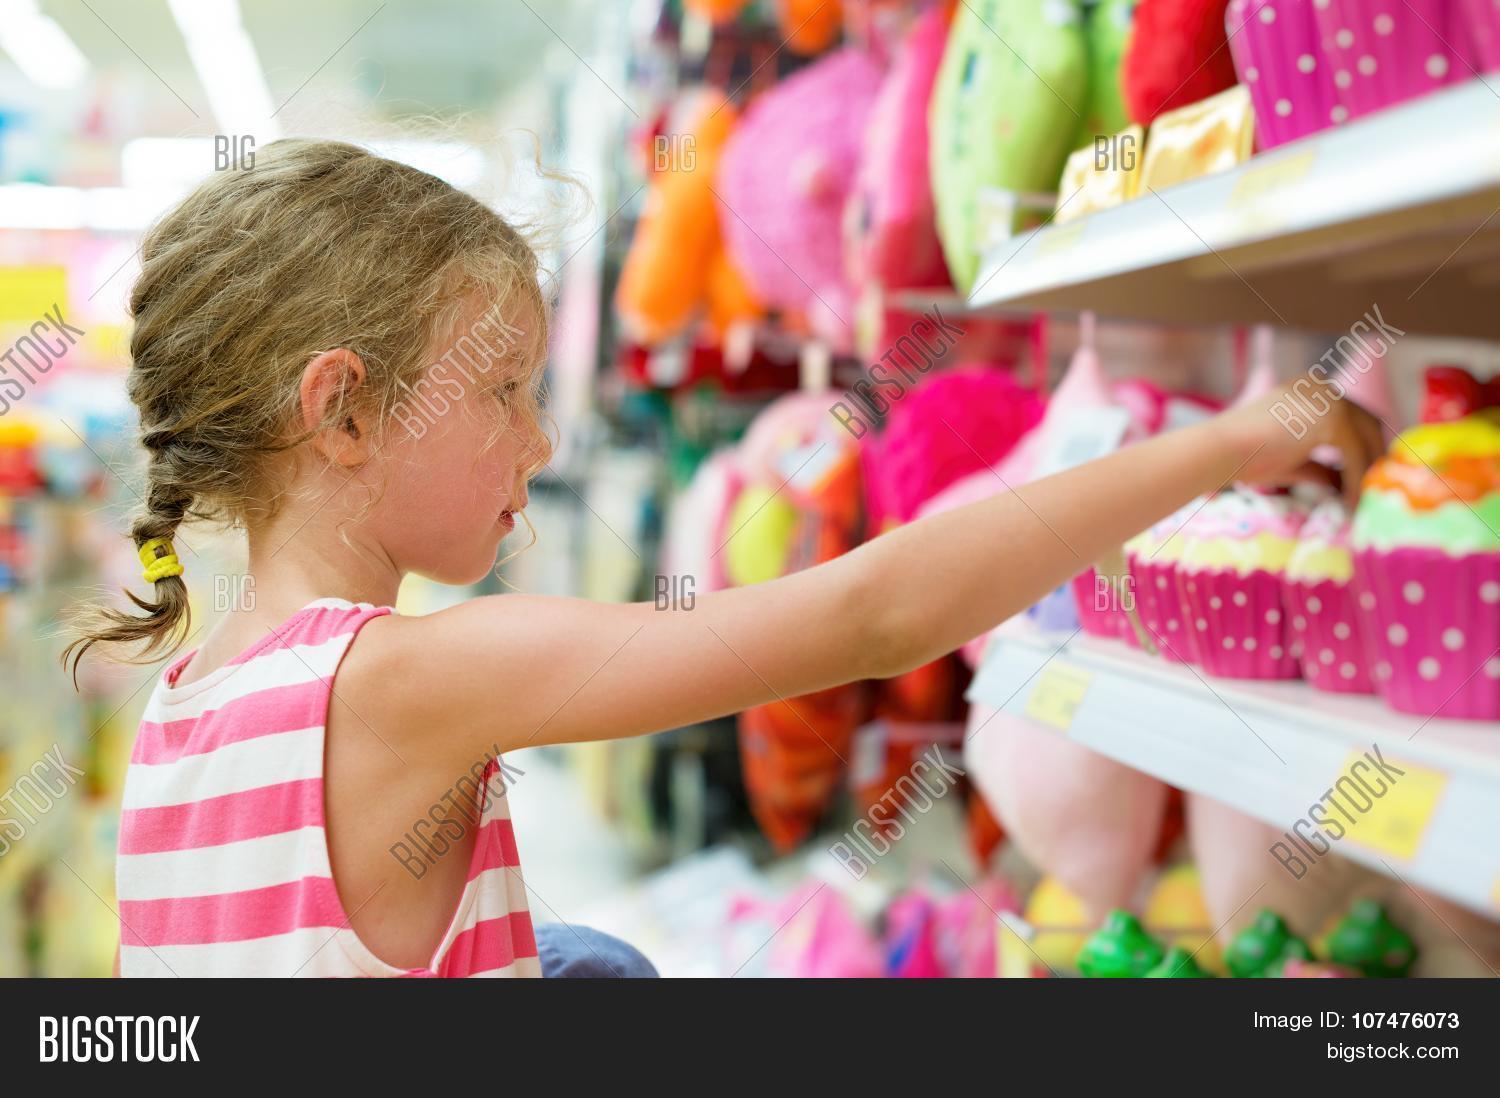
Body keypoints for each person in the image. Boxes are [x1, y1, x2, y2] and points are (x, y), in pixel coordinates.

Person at [67, 139, 1383, 978]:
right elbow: (874, 614)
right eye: (506, 388)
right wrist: (1233, 441)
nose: (543, 435)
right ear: (343, 408)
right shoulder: (404, 680)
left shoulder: (182, 713)